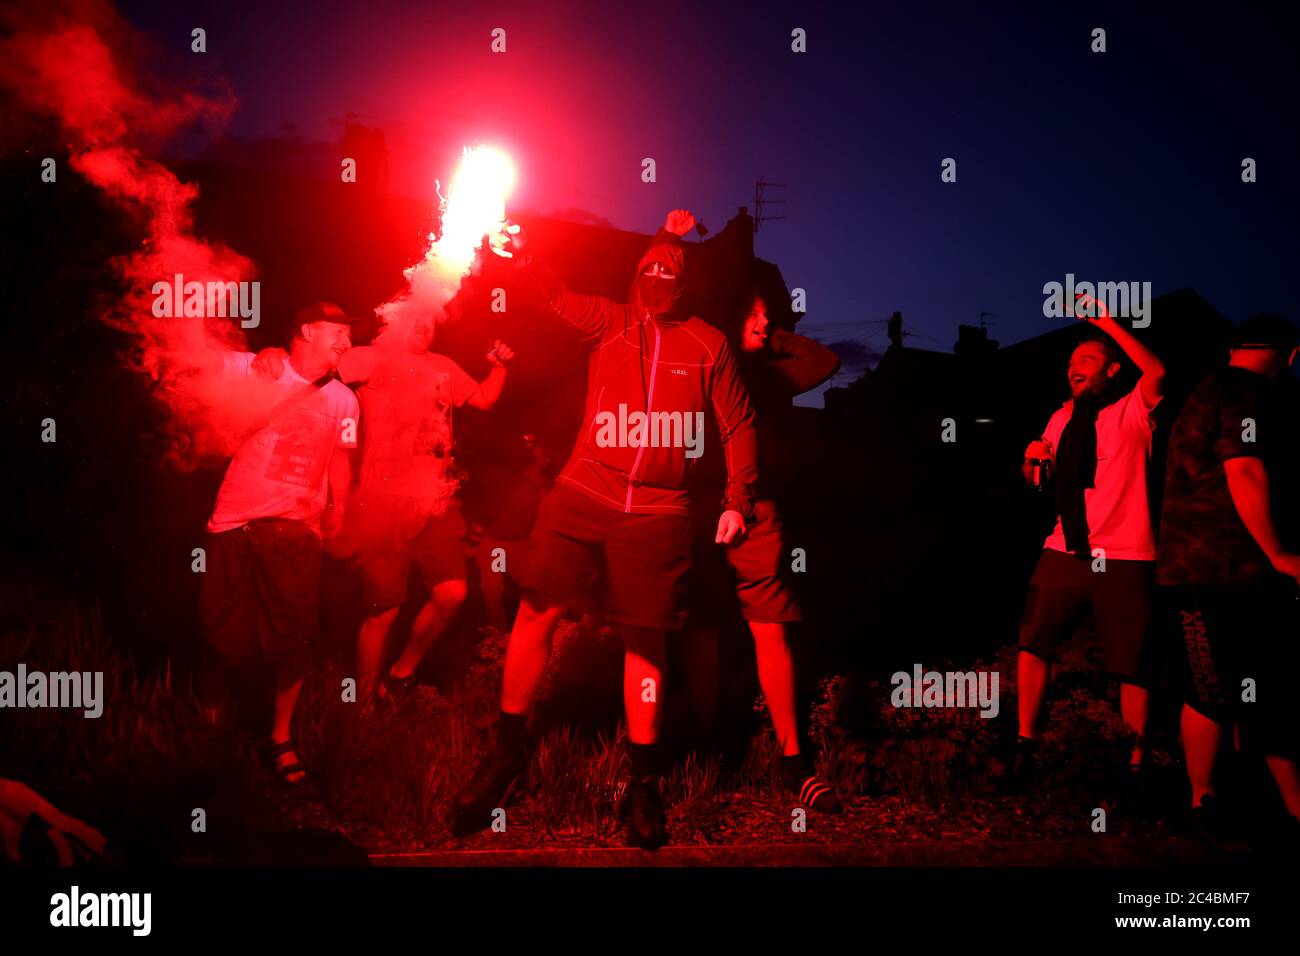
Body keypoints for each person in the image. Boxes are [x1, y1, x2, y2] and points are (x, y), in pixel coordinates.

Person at [452, 210, 758, 848]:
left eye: (666, 271)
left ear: (684, 283)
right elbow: (556, 299)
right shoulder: (611, 321)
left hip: (659, 509)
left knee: (647, 640)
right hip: (583, 490)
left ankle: (643, 782)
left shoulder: (709, 343)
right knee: (536, 610)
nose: (653, 278)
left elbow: (737, 425)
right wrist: (527, 256)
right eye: (645, 269)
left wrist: (736, 498)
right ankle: (507, 753)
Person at [256, 311, 514, 705]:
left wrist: (498, 368)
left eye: (430, 319)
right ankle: (360, 702)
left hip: (437, 499)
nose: (423, 323)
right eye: (415, 317)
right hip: (384, 503)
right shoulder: (372, 357)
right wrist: (275, 351)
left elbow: (484, 398)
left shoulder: (443, 365)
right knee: (384, 610)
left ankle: (400, 673)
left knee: (453, 594)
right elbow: (309, 368)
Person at [685, 288, 843, 812]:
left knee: (771, 631)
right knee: (702, 630)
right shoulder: (702, 369)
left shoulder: (772, 378)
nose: (768, 318)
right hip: (703, 512)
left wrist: (768, 334)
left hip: (759, 515)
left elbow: (825, 360)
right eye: (755, 312)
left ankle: (793, 757)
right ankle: (704, 745)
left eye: (768, 314)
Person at [200, 302, 358, 785]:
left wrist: (340, 512)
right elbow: (193, 360)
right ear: (306, 330)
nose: (346, 343)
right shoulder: (256, 370)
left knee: (293, 637)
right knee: (221, 633)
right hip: (234, 523)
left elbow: (341, 460)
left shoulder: (345, 401)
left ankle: (280, 737)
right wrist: (263, 351)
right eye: (339, 331)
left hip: (296, 528)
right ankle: (209, 735)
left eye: (349, 335)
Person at [1156, 314, 1300, 845]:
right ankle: (1208, 802)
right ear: (1289, 355)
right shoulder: (1249, 393)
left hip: (1200, 569)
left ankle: (1227, 801)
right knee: (1225, 690)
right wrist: (1281, 552)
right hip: (1219, 569)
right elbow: (1244, 468)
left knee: (1236, 690)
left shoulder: (1205, 390)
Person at [1011, 292, 1166, 785]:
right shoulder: (1061, 417)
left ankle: (1137, 763)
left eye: (1088, 359)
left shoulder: (1133, 410)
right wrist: (1033, 461)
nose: (1074, 366)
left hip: (1124, 553)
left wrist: (1105, 319)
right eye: (1072, 360)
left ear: (1112, 370)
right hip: (1065, 548)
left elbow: (1158, 370)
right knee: (1033, 645)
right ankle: (1025, 748)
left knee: (1132, 665)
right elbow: (1036, 482)